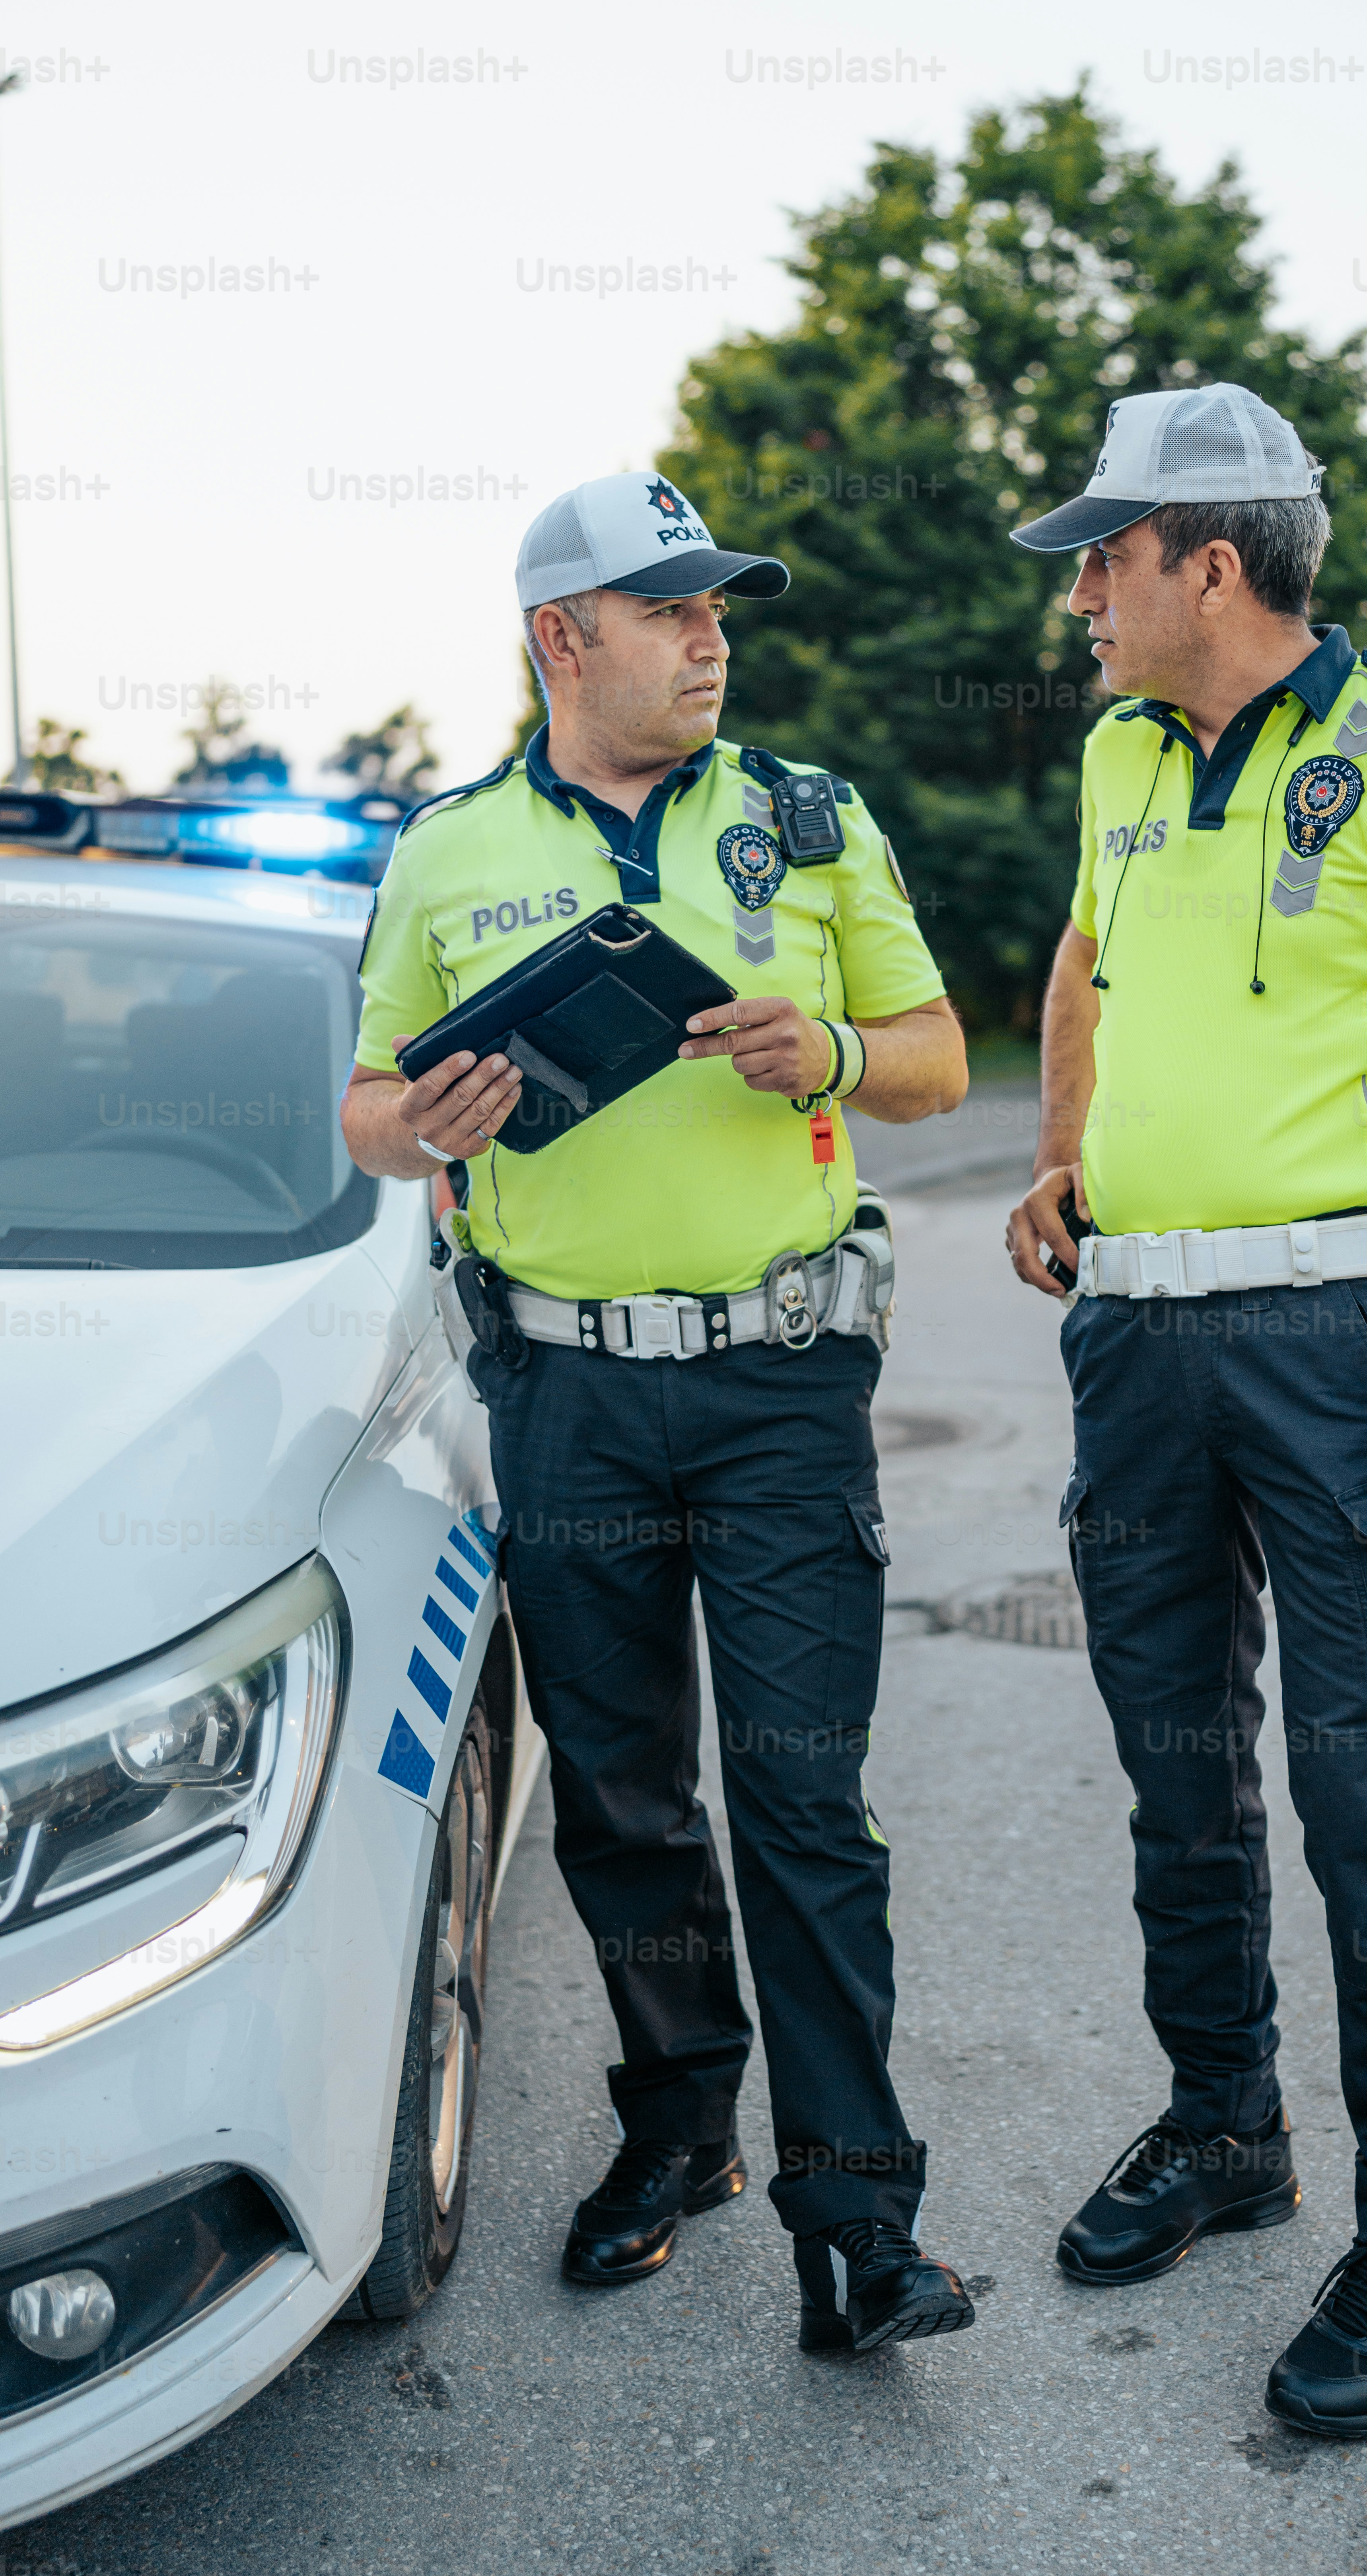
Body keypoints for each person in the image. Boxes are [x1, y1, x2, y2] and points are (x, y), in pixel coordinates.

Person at [342, 469, 976, 2356]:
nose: (712, 636)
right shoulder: (448, 848)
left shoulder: (810, 816)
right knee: (619, 1799)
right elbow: (369, 1108)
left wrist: (838, 1049)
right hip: (563, 1393)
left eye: (720, 607)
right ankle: (679, 2130)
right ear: (562, 639)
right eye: (669, 607)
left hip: (782, 1383)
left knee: (803, 1800)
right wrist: (428, 1122)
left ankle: (860, 2223)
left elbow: (938, 1064)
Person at [1002, 385, 1367, 2438]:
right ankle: (1228, 2130)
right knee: (1176, 1769)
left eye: (1103, 556)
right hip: (1135, 1348)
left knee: (1363, 1797)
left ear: (1204, 563)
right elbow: (1079, 968)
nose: (1080, 595)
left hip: (1346, 1348)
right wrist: (1060, 1152)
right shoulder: (1122, 756)